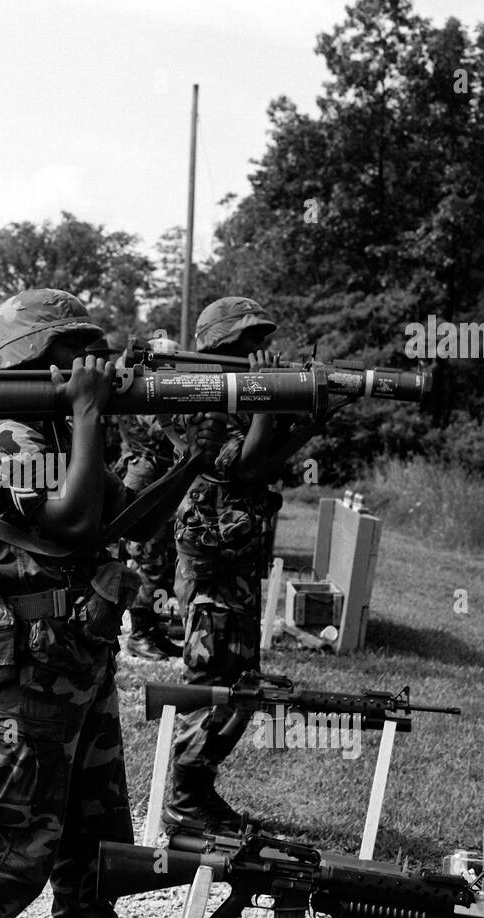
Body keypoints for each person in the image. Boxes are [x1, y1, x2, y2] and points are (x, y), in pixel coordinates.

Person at [0, 288, 182, 918]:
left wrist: (188, 452)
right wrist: (86, 414)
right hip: (32, 676)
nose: (94, 362)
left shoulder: (60, 430)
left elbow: (135, 516)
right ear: (28, 358)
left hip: (82, 668)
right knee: (16, 841)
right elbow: (73, 524)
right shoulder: (6, 437)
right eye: (77, 350)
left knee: (95, 847)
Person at [163, 297, 308, 834]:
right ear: (221, 344)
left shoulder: (241, 390)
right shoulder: (207, 393)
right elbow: (239, 464)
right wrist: (269, 401)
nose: (259, 350)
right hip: (213, 565)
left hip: (235, 563)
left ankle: (197, 791)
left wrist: (307, 426)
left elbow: (261, 468)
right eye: (248, 341)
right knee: (216, 684)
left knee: (240, 684)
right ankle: (183, 800)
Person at [115, 407, 181, 660]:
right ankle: (139, 635)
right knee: (150, 560)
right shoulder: (139, 383)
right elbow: (157, 430)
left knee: (163, 564)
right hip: (146, 478)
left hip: (163, 475)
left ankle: (153, 630)